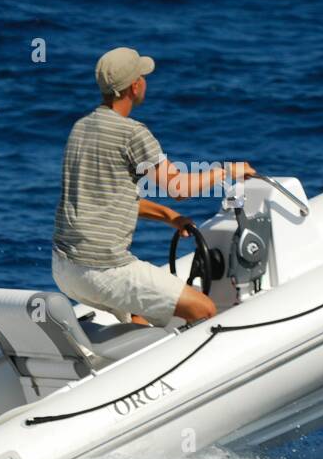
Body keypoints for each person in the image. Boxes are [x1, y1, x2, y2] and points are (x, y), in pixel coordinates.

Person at [52, 47, 254, 327]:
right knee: (204, 310)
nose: (146, 82)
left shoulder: (81, 128)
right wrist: (227, 171)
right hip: (103, 268)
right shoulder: (132, 133)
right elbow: (178, 187)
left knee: (140, 317)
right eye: (143, 77)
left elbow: (105, 199)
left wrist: (169, 217)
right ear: (135, 86)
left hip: (65, 269)